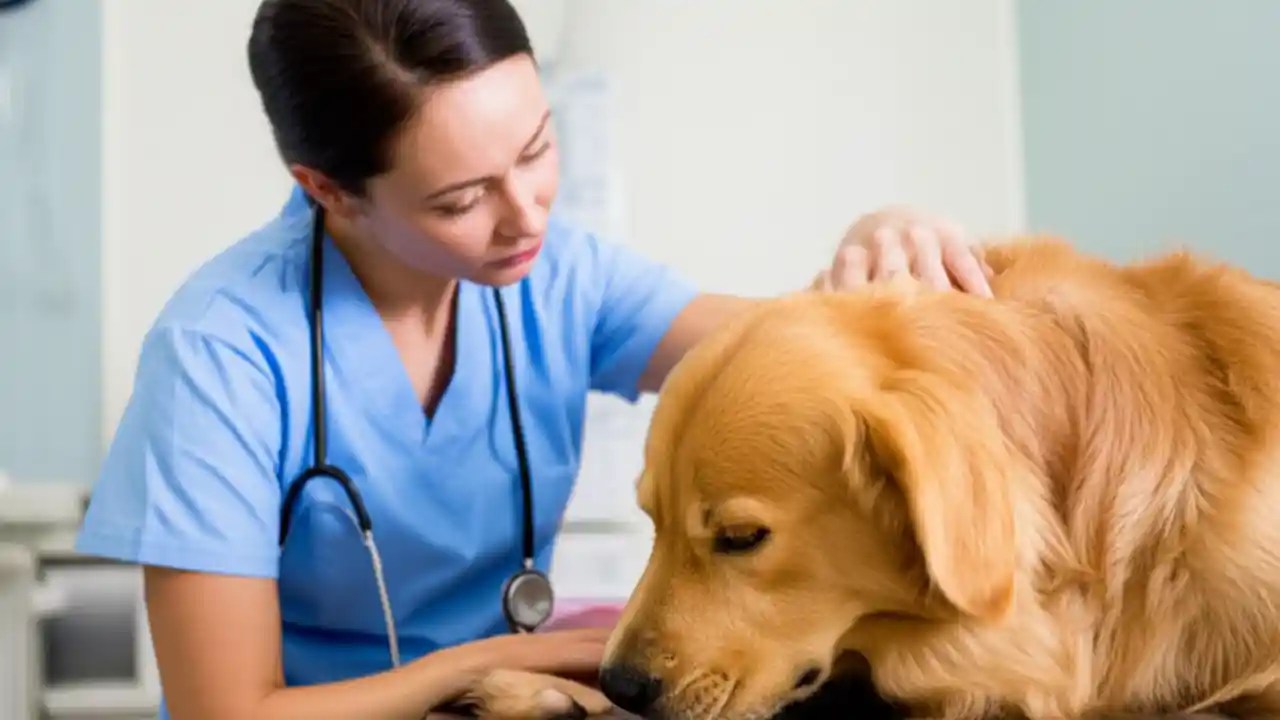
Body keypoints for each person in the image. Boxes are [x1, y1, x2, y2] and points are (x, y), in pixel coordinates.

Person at [73, 1, 993, 718]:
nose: (528, 215)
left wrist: (878, 252)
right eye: (464, 196)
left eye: (538, 148)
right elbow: (227, 710)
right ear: (329, 191)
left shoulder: (563, 279)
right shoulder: (220, 355)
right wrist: (490, 662)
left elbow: (802, 368)